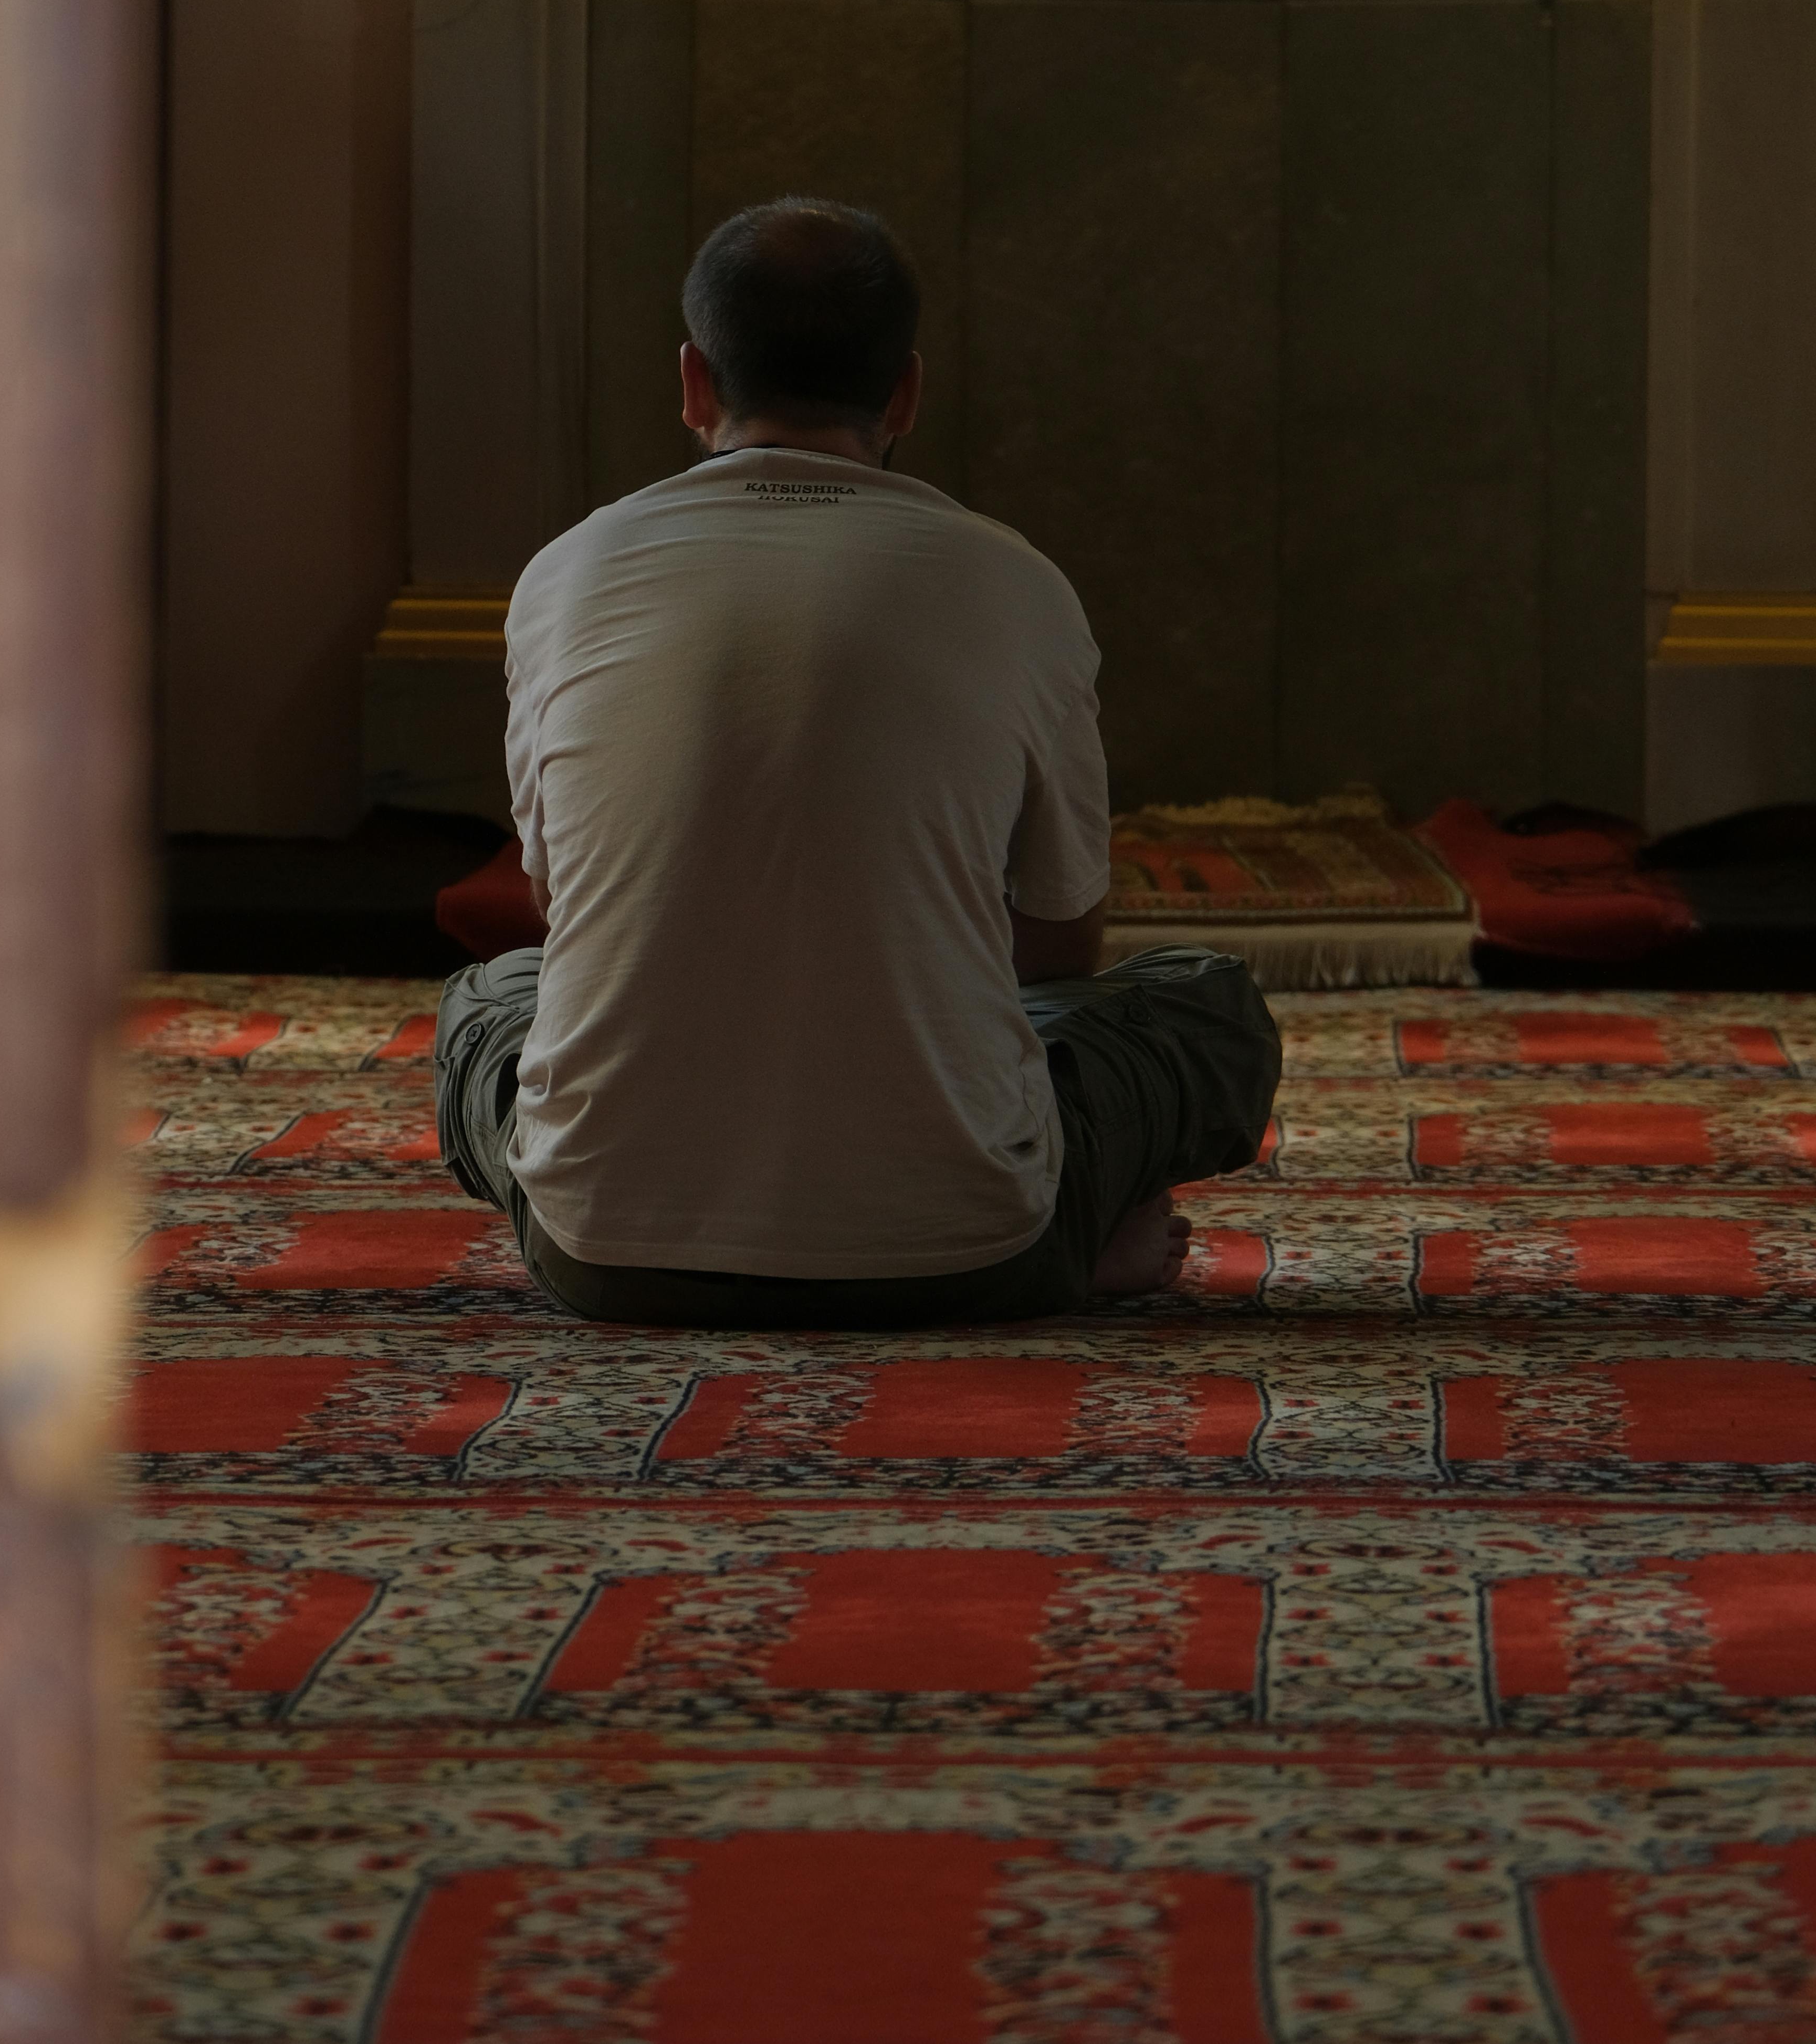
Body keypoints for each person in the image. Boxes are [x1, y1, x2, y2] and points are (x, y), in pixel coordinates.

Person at [435, 196, 1280, 1327]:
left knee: (487, 999)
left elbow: (561, 904)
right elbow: (1059, 945)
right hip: (964, 1251)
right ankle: (1078, 1228)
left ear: (691, 383)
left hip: (604, 1251)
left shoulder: (565, 575)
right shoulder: (1016, 583)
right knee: (1206, 1009)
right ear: (907, 392)